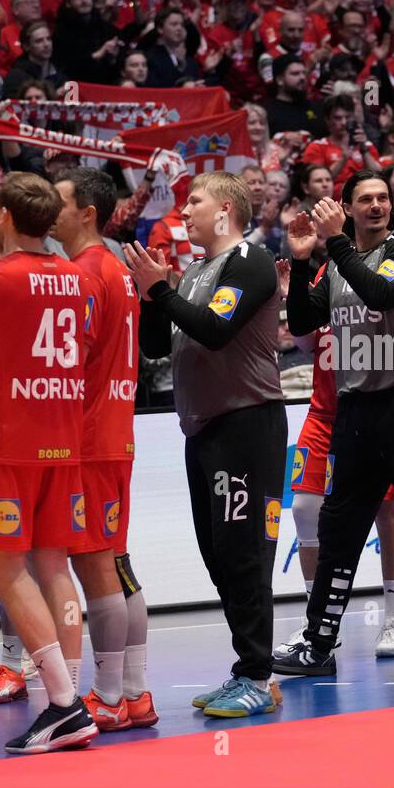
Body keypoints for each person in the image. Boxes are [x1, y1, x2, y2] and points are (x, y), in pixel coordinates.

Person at [275, 172, 394, 678]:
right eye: (367, 199)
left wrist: (334, 243)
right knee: (338, 529)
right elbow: (299, 323)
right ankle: (320, 642)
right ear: (348, 207)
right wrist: (299, 262)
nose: (378, 205)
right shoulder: (335, 265)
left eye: (384, 197)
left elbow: (381, 295)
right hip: (355, 411)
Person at [0, 172, 99, 754]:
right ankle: (71, 699)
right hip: (63, 436)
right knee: (54, 565)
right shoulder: (78, 279)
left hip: (6, 444)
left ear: (3, 215)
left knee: (3, 568)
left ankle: (63, 704)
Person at [127, 173, 287, 719]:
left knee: (244, 553)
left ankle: (259, 676)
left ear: (224, 209)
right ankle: (247, 669)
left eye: (192, 201)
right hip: (204, 429)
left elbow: (216, 329)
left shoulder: (251, 260)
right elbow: (154, 346)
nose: (184, 210)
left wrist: (163, 290)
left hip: (248, 425)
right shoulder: (194, 272)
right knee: (219, 554)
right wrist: (154, 294)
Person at [52, 167, 154, 731]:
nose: (52, 212)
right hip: (115, 433)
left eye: (60, 203)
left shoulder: (84, 274)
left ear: (87, 212)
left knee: (96, 570)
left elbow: (69, 358)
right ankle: (134, 692)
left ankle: (108, 697)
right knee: (117, 564)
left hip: (86, 440)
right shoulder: (117, 271)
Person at [275, 258, 394, 658]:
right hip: (324, 410)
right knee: (304, 507)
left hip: (375, 407)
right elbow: (306, 343)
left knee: (389, 513)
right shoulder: (324, 272)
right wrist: (293, 296)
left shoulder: (393, 263)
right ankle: (315, 624)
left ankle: (392, 623)